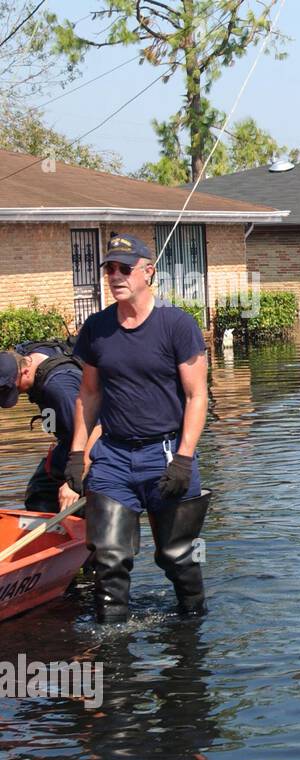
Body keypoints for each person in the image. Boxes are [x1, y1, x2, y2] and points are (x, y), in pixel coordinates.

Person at [64, 233, 211, 623]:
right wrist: (78, 453)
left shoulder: (177, 324)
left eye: (124, 268)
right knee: (108, 559)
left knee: (176, 556)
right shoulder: (96, 329)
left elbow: (197, 396)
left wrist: (183, 458)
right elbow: (89, 395)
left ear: (149, 272)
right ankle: (112, 647)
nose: (115, 275)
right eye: (109, 268)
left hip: (165, 454)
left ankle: (191, 634)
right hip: (112, 456)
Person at [0, 340, 97, 513]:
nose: (18, 393)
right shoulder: (32, 354)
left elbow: (97, 427)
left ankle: (79, 529)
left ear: (25, 370)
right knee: (40, 489)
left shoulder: (59, 388)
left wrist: (74, 479)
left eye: (13, 389)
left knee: (62, 497)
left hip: (96, 446)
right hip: (69, 442)